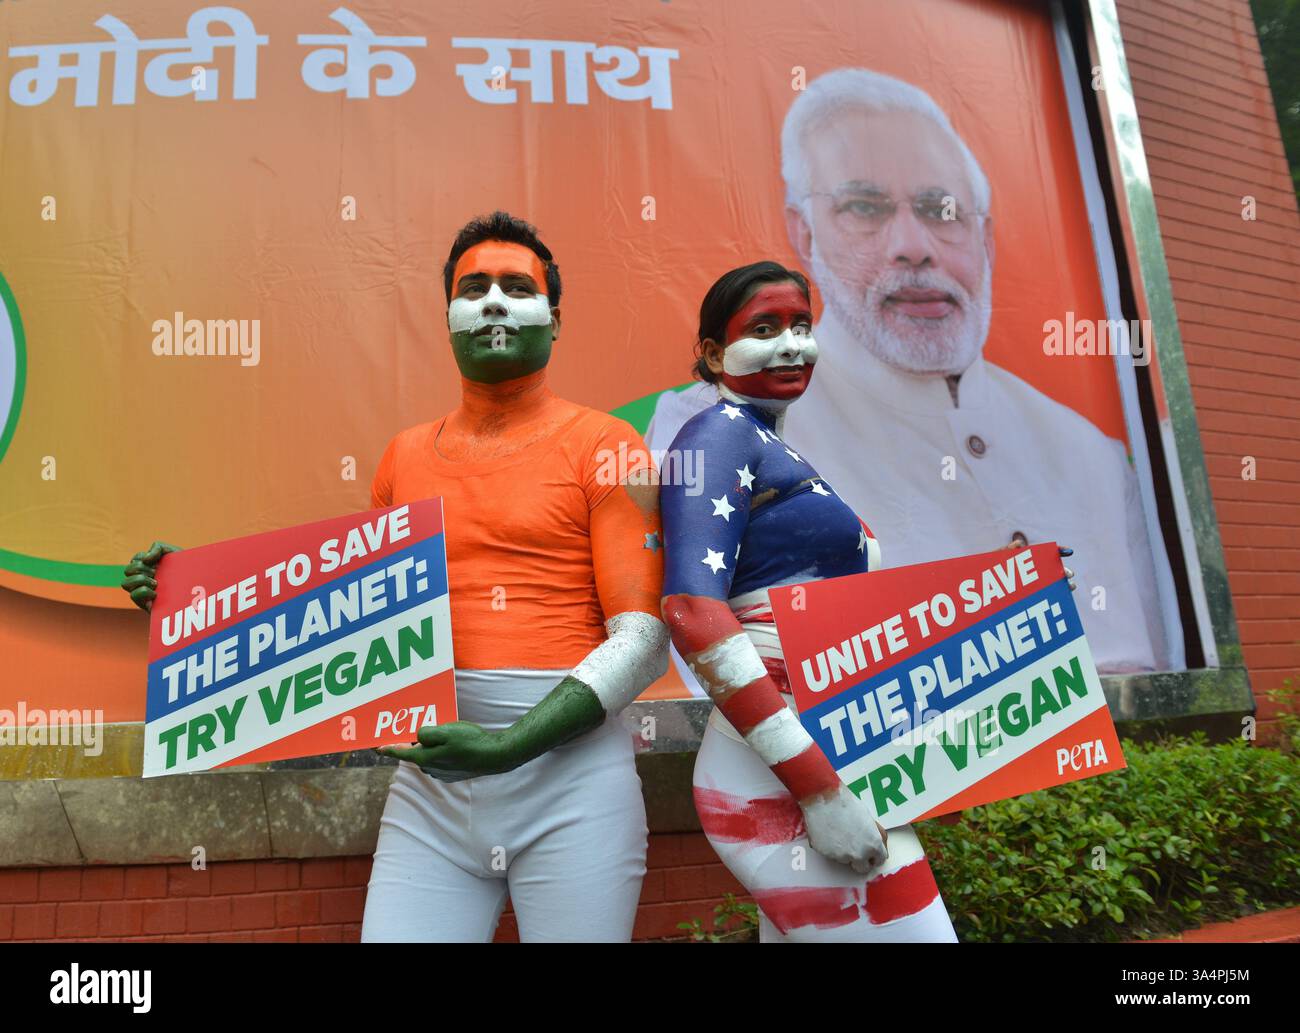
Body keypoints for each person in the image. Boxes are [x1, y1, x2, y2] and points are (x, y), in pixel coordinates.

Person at [122, 210, 669, 942]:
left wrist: (509, 747)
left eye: (516, 286)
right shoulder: (403, 456)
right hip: (431, 782)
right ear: (448, 317)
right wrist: (190, 601)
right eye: (474, 288)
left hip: (572, 780)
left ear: (554, 319)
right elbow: (347, 619)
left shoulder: (607, 442)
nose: (495, 301)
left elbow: (644, 640)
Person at [646, 67, 1181, 677]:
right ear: (804, 233)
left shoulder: (1091, 455)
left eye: (941, 210)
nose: (913, 244)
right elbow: (712, 660)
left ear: (985, 237)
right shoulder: (708, 428)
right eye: (864, 207)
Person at [660, 260, 960, 942]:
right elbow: (690, 609)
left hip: (820, 765)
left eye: (802, 325)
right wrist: (819, 790)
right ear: (712, 353)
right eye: (764, 329)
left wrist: (1023, 593)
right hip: (778, 780)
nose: (792, 344)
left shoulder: (769, 447)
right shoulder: (718, 435)